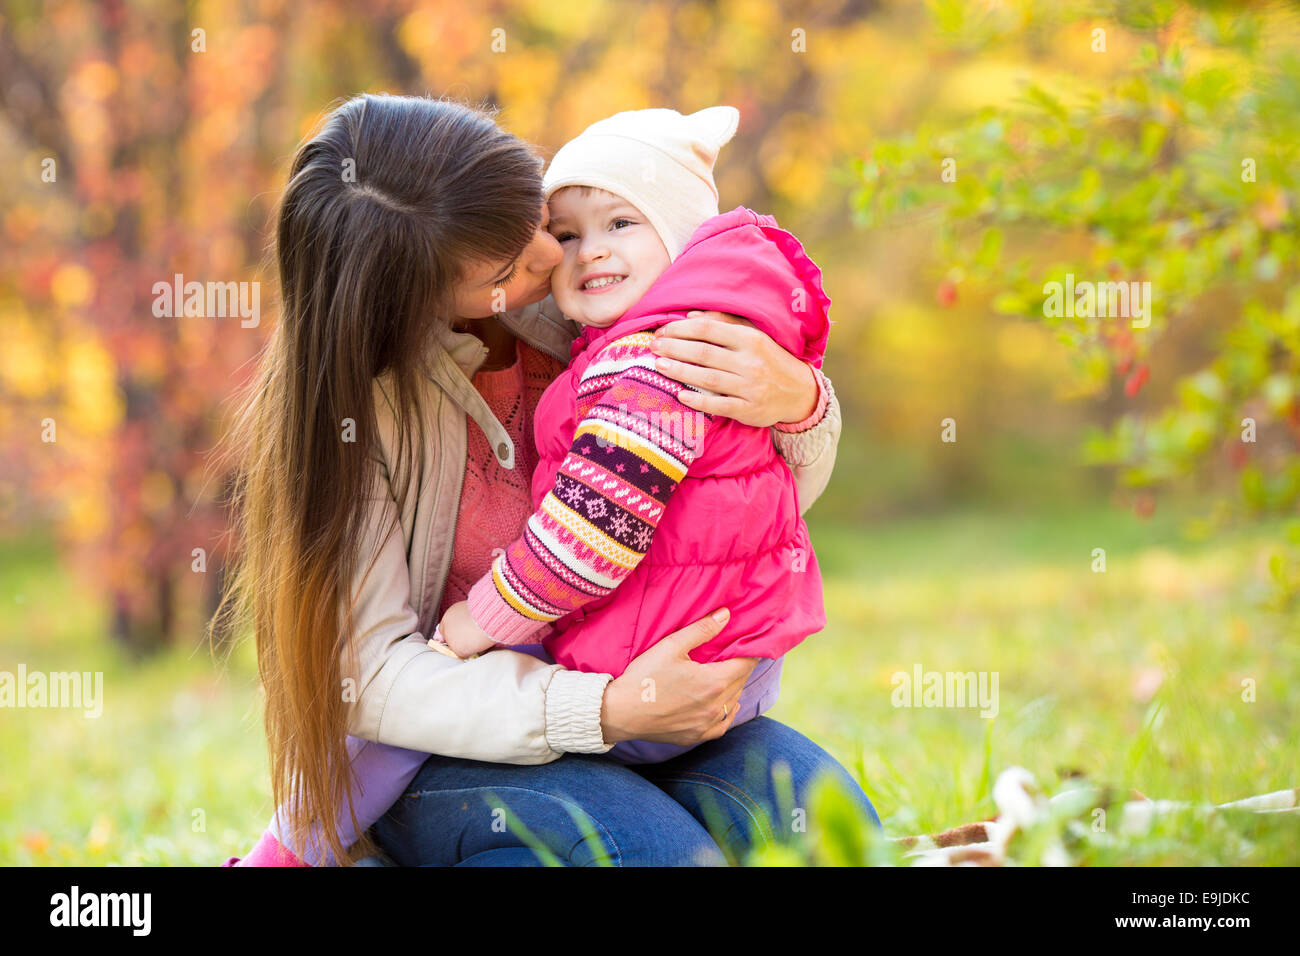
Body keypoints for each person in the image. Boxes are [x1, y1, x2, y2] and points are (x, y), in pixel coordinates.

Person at [218, 93, 879, 867]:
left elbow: (742, 506)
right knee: (646, 855)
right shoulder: (356, 416)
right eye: (508, 265)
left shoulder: (622, 303)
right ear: (417, 303)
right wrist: (604, 710)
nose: (552, 254)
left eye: (532, 212)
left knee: (838, 834)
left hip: (637, 701)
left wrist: (798, 403)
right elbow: (374, 679)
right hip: (453, 741)